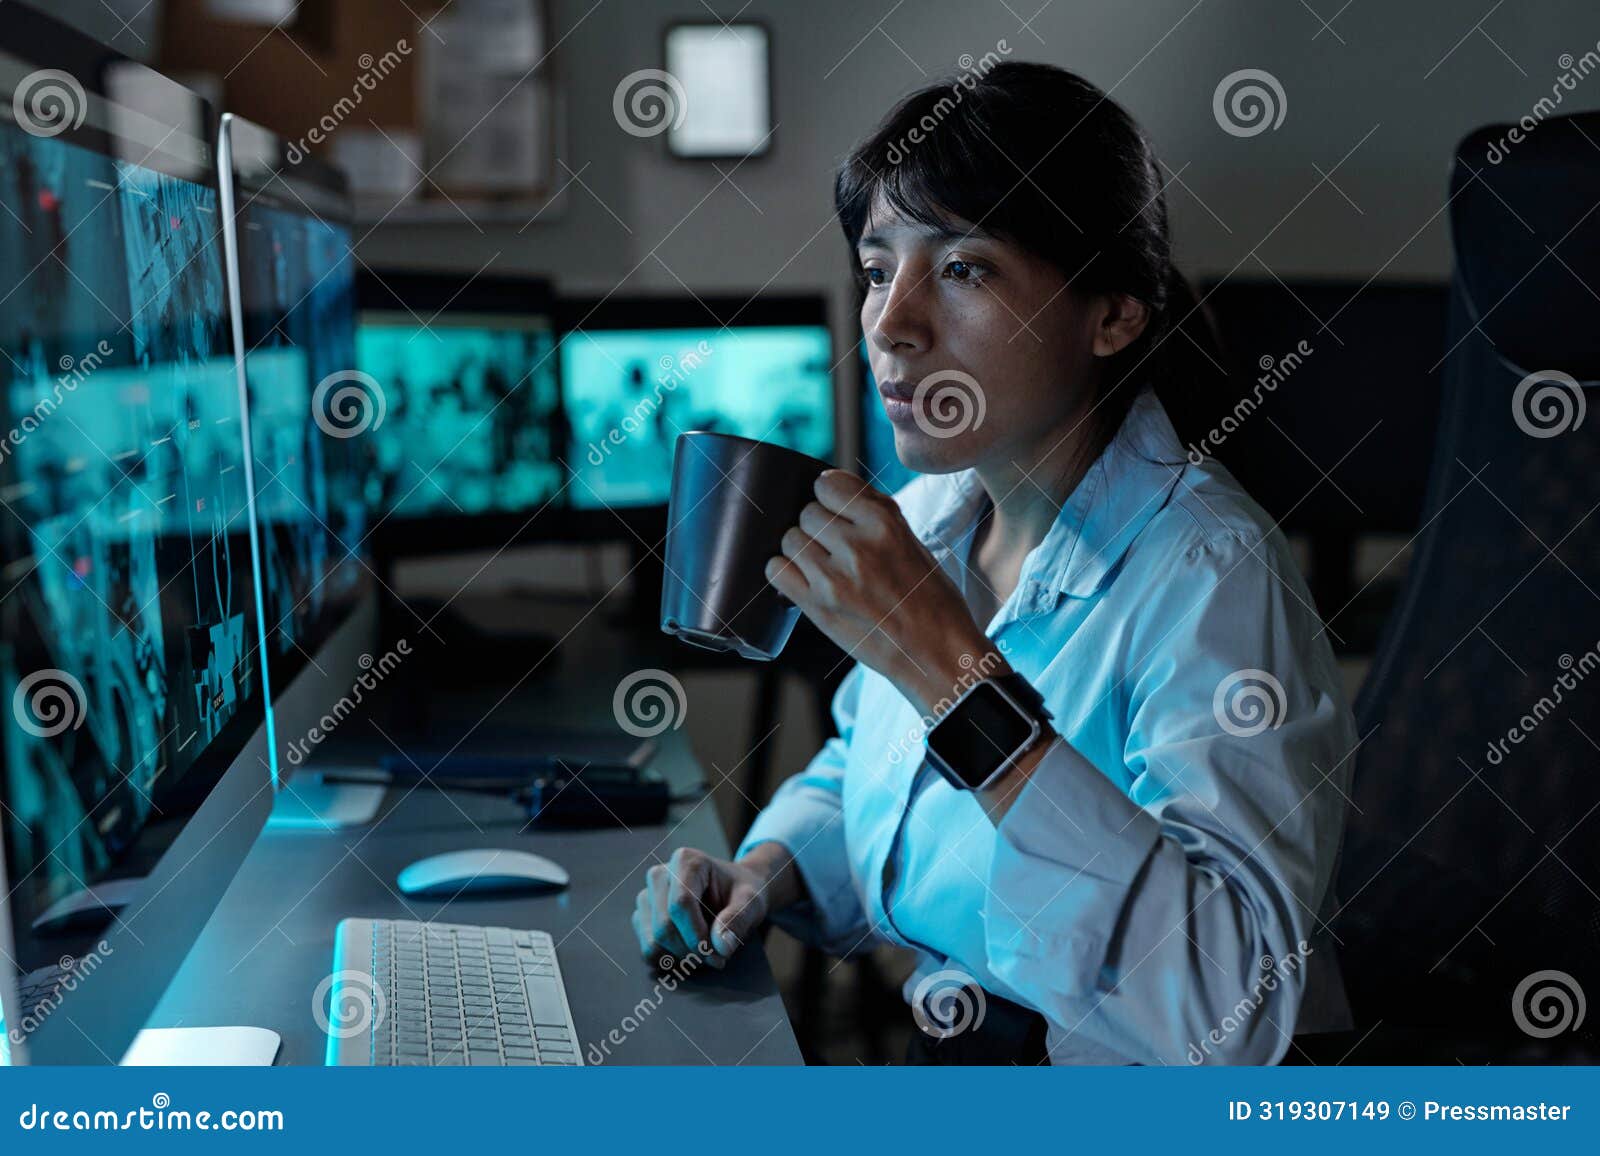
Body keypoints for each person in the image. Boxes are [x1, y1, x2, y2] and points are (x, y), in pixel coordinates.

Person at [632, 62, 1356, 1065]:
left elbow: (1235, 1010)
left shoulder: (1210, 575)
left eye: (963, 268)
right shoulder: (932, 514)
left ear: (1113, 312)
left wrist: (948, 673)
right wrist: (767, 869)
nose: (890, 323)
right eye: (878, 267)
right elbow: (864, 774)